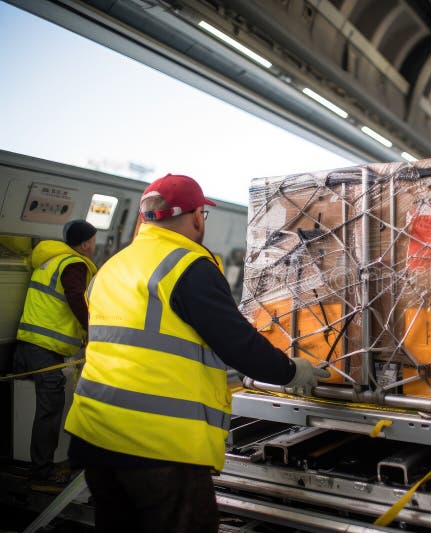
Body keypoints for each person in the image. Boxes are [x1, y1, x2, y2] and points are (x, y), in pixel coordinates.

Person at [64, 174, 328, 533]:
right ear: (197, 216)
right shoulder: (188, 266)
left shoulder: (112, 267)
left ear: (145, 218)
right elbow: (237, 343)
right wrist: (293, 372)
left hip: (95, 436)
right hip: (159, 446)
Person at [14, 219, 97, 490]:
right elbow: (75, 296)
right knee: (50, 407)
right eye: (93, 240)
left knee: (48, 405)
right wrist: (92, 327)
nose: (94, 245)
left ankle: (43, 466)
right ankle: (40, 473)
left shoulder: (49, 260)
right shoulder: (72, 264)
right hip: (44, 345)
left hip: (29, 340)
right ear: (85, 243)